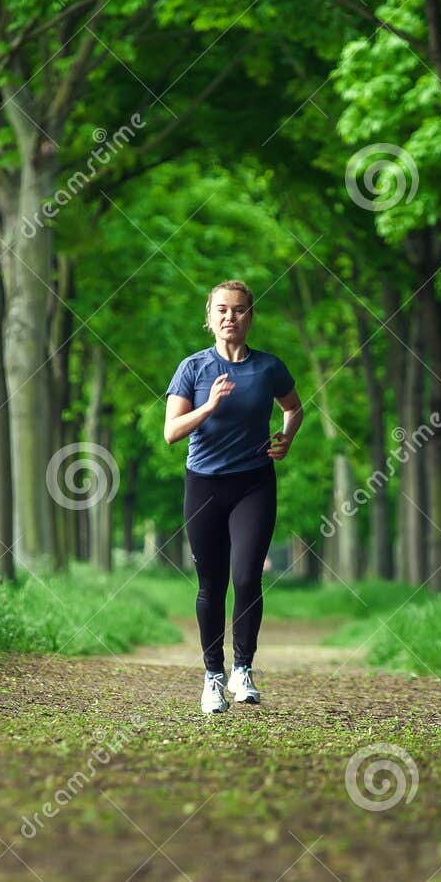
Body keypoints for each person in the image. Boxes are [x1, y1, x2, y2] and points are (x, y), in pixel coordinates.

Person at [164, 279, 304, 714]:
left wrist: (286, 438)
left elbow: (294, 407)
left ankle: (243, 668)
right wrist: (208, 407)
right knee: (212, 584)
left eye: (240, 310)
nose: (231, 317)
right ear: (209, 318)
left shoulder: (268, 368)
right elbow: (171, 433)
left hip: (253, 483)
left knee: (246, 578)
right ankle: (212, 677)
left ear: (250, 316)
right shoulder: (192, 368)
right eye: (222, 310)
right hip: (203, 484)